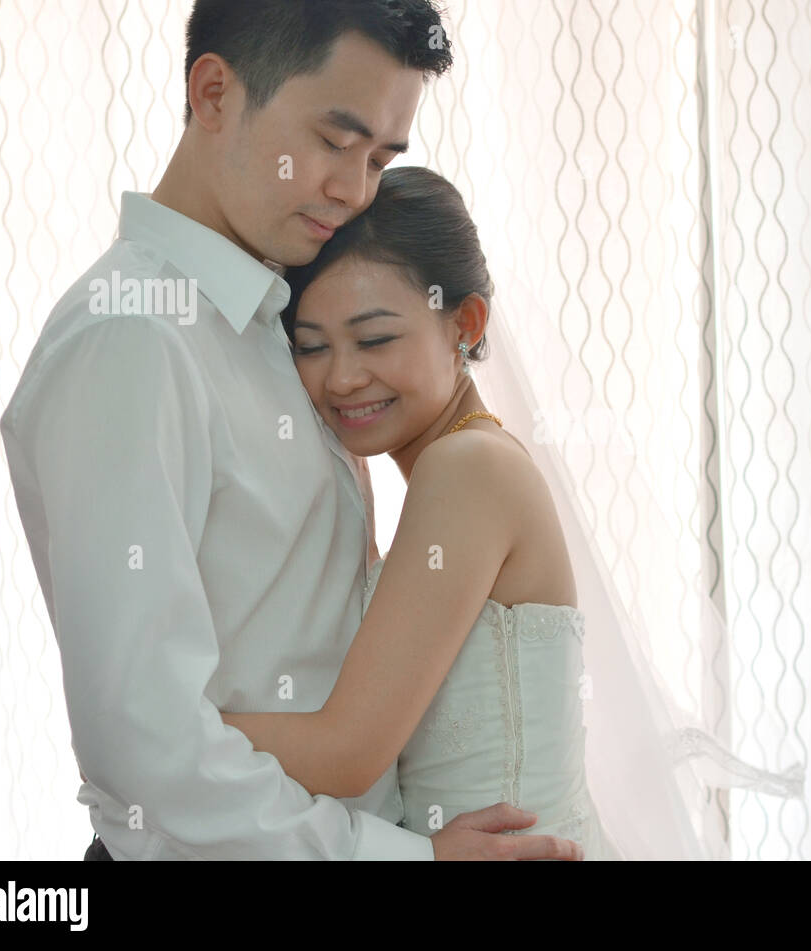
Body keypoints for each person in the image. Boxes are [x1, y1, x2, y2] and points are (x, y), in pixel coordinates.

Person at [0, 0, 581, 861]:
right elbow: (146, 747)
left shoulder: (280, 322)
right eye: (333, 141)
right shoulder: (132, 338)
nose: (355, 189)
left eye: (381, 158)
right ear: (212, 94)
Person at [219, 166, 630, 856]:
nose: (342, 376)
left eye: (375, 339)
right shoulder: (452, 470)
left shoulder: (467, 468)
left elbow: (347, 749)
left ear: (464, 324)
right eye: (311, 345)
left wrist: (165, 729)